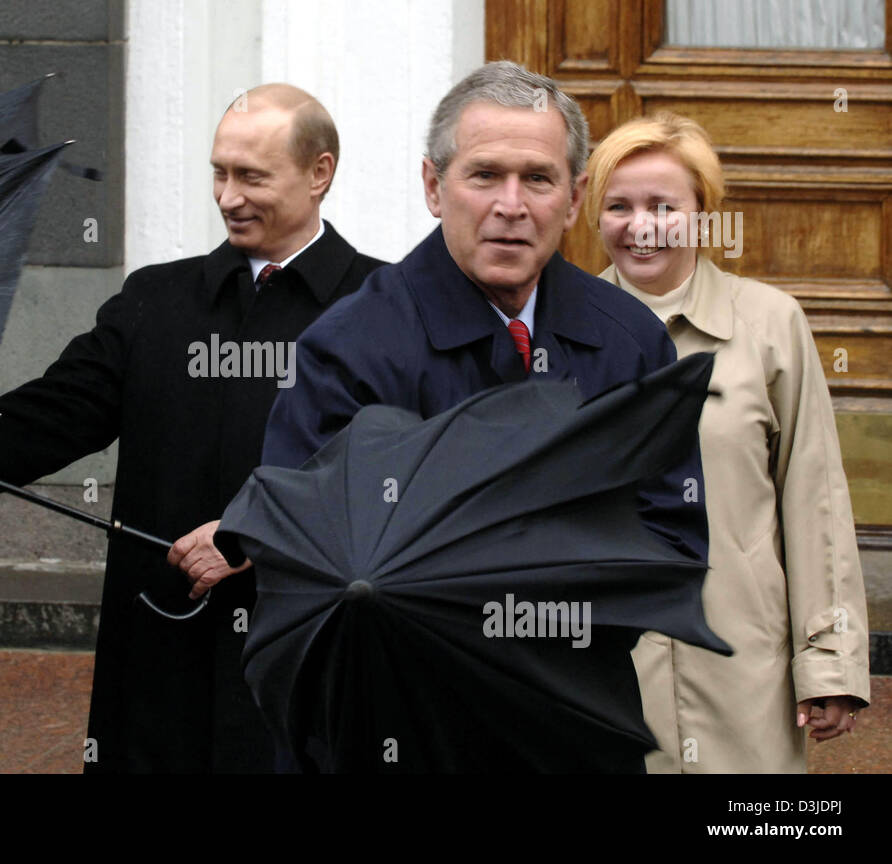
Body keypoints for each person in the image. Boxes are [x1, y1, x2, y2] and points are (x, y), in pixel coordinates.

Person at [259, 61, 709, 772]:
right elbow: (304, 563)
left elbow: (672, 538)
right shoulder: (350, 347)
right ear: (434, 188)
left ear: (574, 198)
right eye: (484, 175)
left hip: (570, 726)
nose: (511, 204)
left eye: (537, 178)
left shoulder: (629, 340)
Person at [0, 83, 383, 772]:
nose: (229, 196)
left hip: (310, 664)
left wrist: (259, 535)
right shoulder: (155, 300)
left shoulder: (383, 308)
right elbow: (42, 421)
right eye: (220, 172)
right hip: (158, 670)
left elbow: (398, 478)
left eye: (252, 177)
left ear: (319, 173)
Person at [586, 111, 871, 773]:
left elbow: (814, 497)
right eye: (619, 206)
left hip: (744, 672)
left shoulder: (771, 323)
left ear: (704, 213)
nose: (641, 224)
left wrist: (830, 659)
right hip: (605, 671)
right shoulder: (560, 331)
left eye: (664, 205)